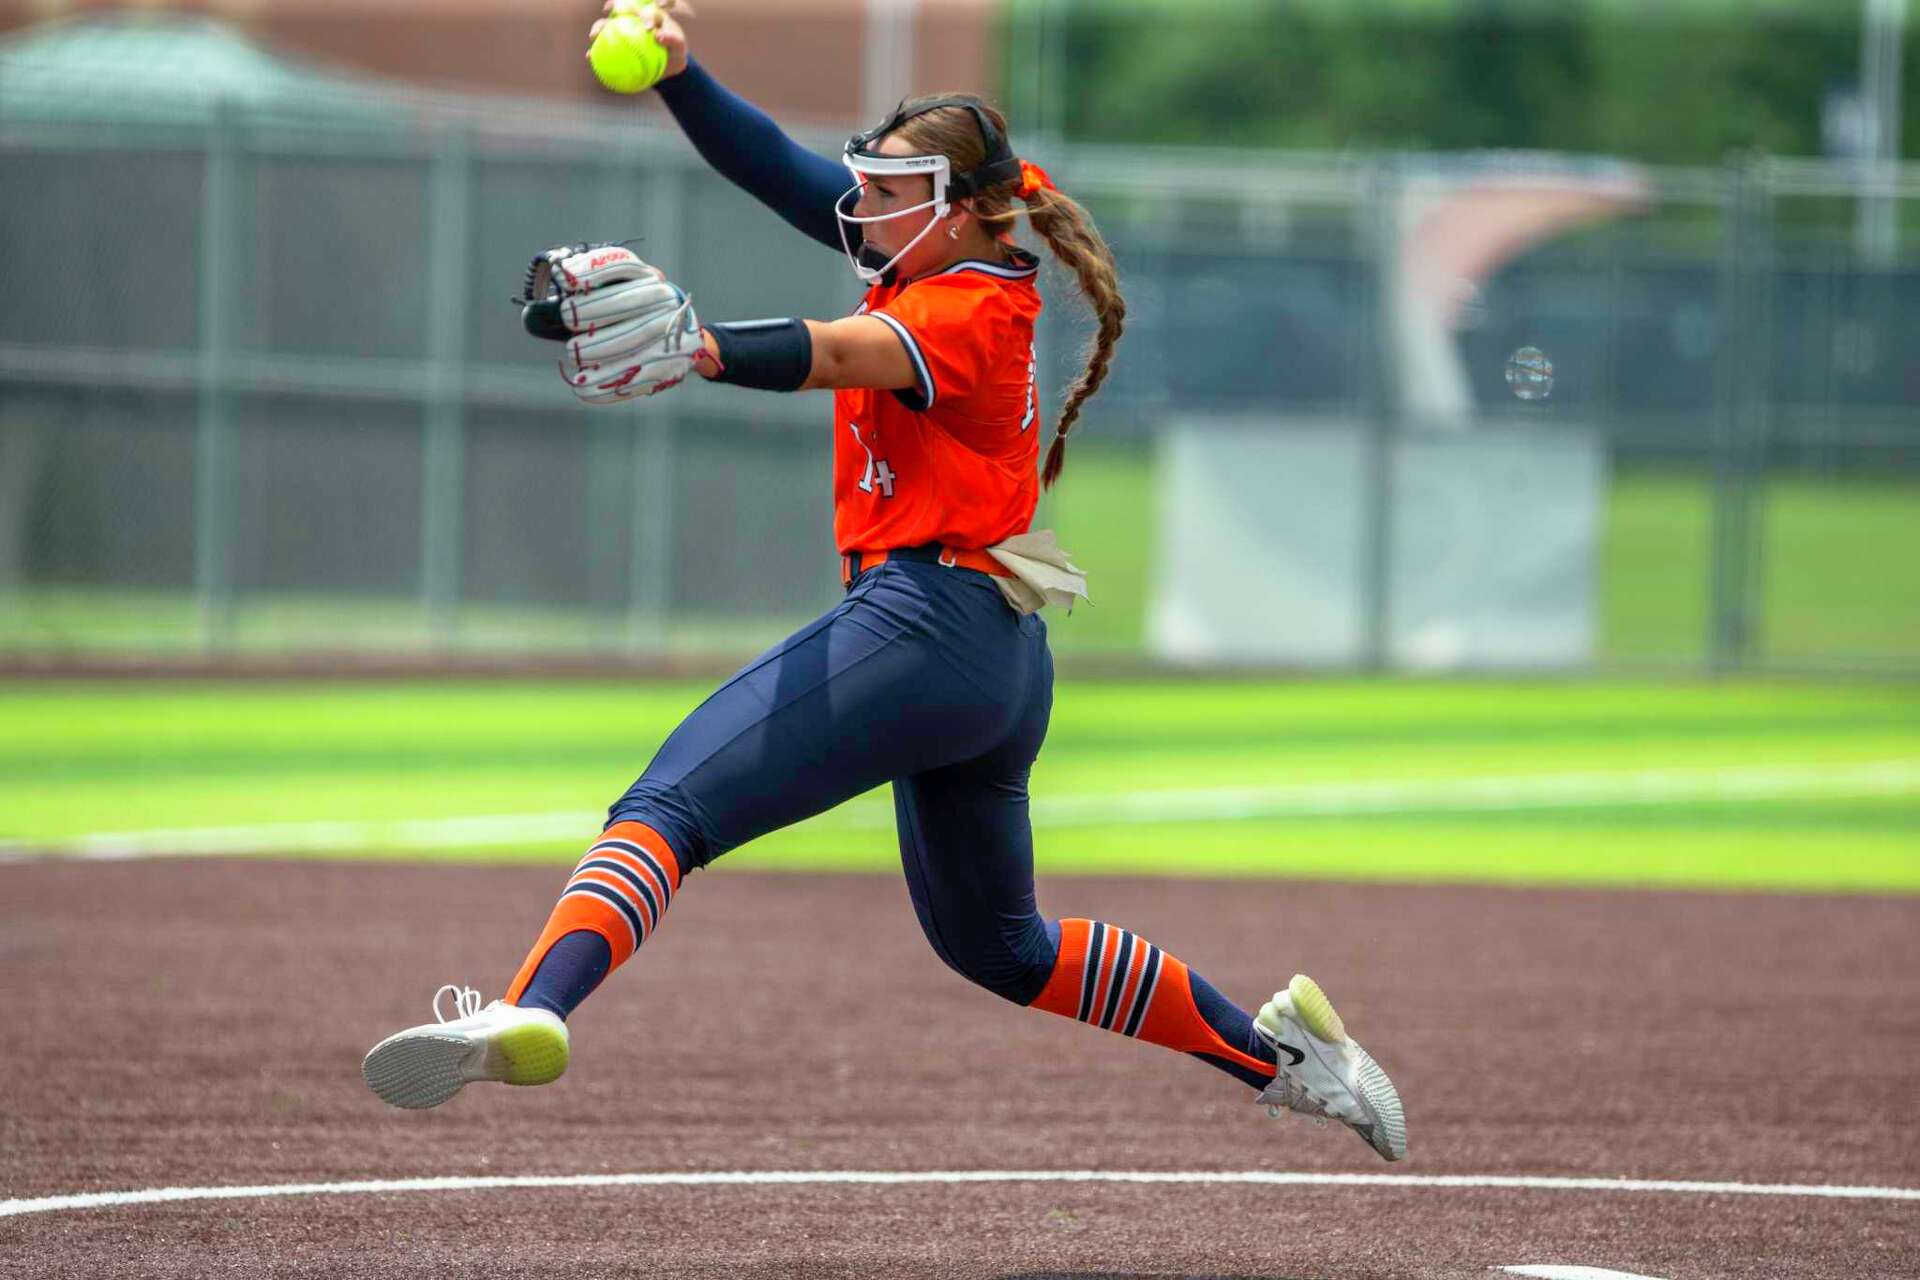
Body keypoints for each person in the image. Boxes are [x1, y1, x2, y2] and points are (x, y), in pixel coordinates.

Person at [362, 0, 1405, 1163]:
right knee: (1000, 946)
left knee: (667, 806)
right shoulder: (948, 249)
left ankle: (534, 1004)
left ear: (956, 209)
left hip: (929, 625)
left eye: (887, 188)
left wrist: (705, 347)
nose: (858, 202)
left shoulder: (966, 308)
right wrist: (679, 73)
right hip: (997, 655)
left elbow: (837, 352)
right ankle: (1287, 1060)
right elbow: (775, 168)